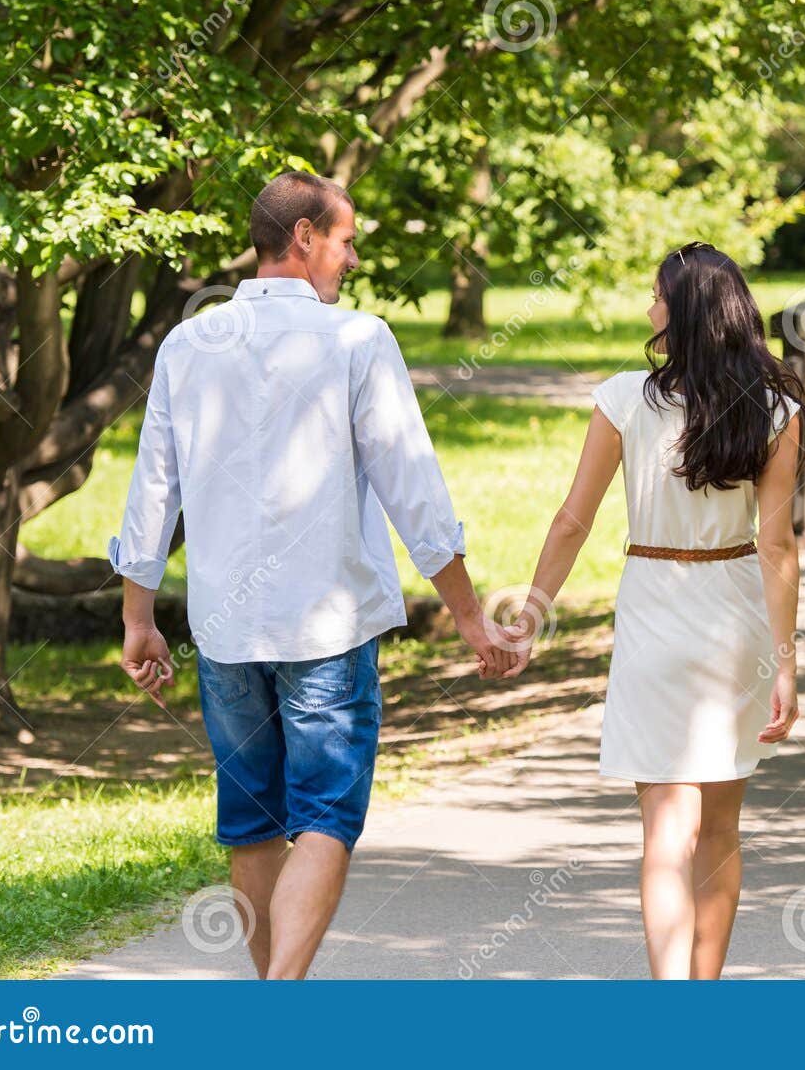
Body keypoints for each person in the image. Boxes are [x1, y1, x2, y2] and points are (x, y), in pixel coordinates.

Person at [109, 170, 516, 980]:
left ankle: (274, 1005)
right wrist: (471, 617)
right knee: (326, 816)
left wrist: (138, 617)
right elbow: (414, 489)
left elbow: (153, 489)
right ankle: (283, 1001)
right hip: (328, 629)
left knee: (252, 823)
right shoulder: (359, 340)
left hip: (225, 631)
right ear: (304, 238)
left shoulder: (188, 346)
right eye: (345, 241)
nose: (352, 259)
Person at [507, 241, 805, 979]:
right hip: (735, 619)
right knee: (721, 834)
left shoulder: (624, 399)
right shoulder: (775, 409)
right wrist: (786, 664)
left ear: (682, 313)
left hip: (652, 610)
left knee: (666, 836)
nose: (649, 309)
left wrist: (532, 614)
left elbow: (573, 520)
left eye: (656, 297)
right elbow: (778, 547)